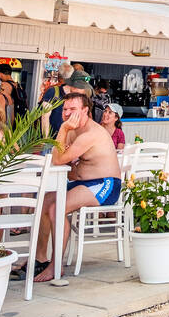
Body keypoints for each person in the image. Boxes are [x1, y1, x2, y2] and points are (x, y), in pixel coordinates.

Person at [32, 92, 122, 281]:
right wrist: (65, 136)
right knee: (45, 201)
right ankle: (39, 258)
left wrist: (63, 129)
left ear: (85, 110)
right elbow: (60, 155)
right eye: (65, 109)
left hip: (105, 184)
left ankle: (56, 266)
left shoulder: (89, 134)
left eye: (73, 109)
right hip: (83, 183)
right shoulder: (73, 130)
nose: (67, 113)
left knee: (57, 208)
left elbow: (58, 159)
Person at [39, 64, 79, 138]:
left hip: (65, 139)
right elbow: (45, 117)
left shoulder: (77, 94)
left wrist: (45, 139)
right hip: (54, 139)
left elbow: (45, 116)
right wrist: (46, 139)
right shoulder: (53, 91)